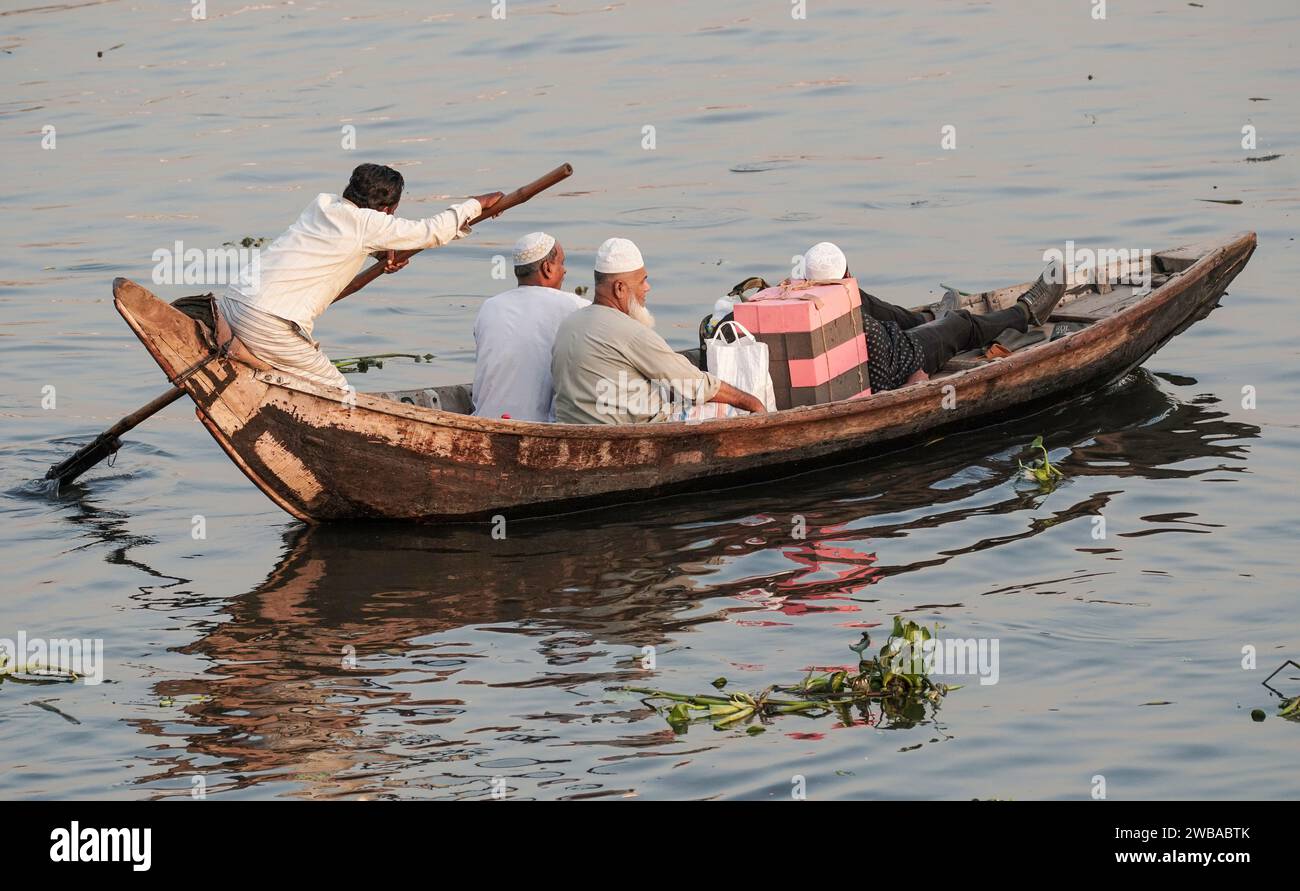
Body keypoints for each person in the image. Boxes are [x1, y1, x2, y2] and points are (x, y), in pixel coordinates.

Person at [216, 163, 503, 390]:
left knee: (292, 379)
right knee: (336, 393)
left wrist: (381, 253)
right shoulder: (367, 223)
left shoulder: (323, 204)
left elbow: (340, 242)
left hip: (233, 304)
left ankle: (256, 373)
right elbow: (432, 231)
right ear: (388, 209)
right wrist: (475, 204)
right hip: (269, 320)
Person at [551, 238, 766, 424]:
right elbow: (693, 383)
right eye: (642, 280)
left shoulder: (569, 323)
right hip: (627, 433)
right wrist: (750, 401)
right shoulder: (631, 332)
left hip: (576, 427)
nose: (647, 287)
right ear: (619, 289)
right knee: (732, 411)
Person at [800, 242, 1065, 391]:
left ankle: (924, 321)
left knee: (861, 298)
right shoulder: (863, 329)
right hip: (911, 355)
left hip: (891, 342)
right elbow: (882, 389)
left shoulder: (805, 305)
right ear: (846, 275)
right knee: (959, 323)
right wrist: (917, 380)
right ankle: (1025, 312)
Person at [472, 232, 586, 421]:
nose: (564, 271)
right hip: (539, 427)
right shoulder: (575, 307)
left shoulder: (490, 306)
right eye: (562, 263)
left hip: (485, 419)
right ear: (547, 268)